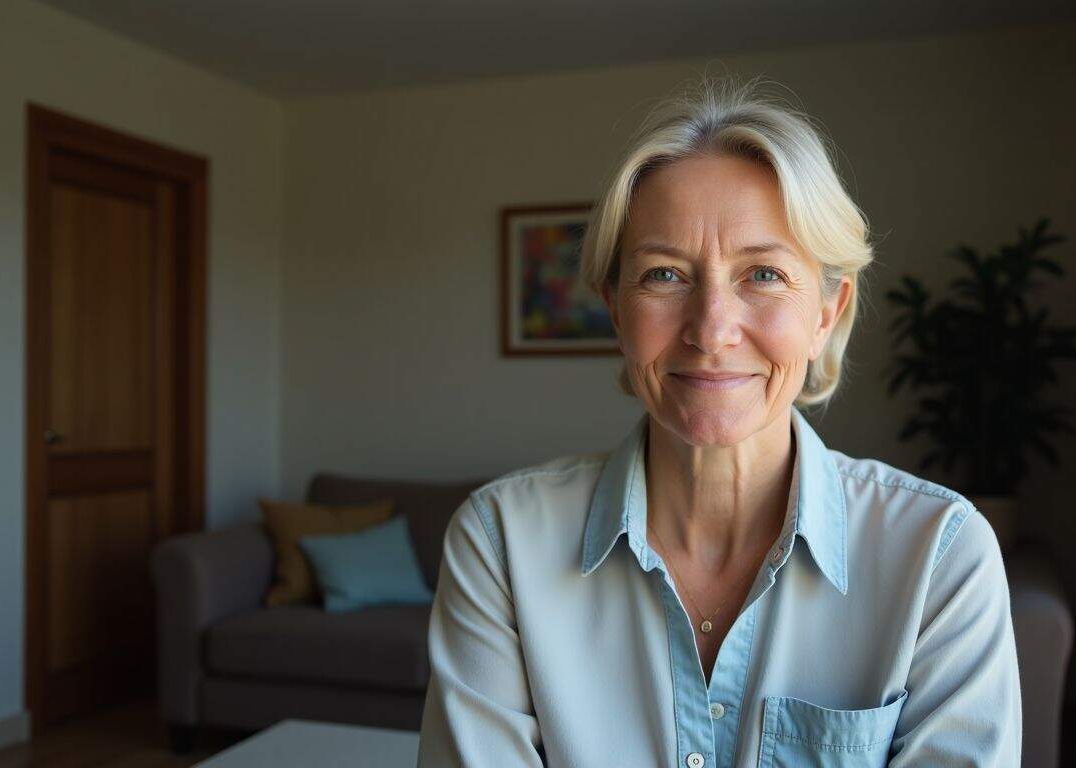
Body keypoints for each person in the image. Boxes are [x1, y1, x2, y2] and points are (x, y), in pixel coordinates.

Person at [417, 76, 1021, 767]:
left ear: (826, 313)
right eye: (664, 276)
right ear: (615, 308)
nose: (710, 330)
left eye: (762, 275)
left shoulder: (939, 556)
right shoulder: (501, 543)